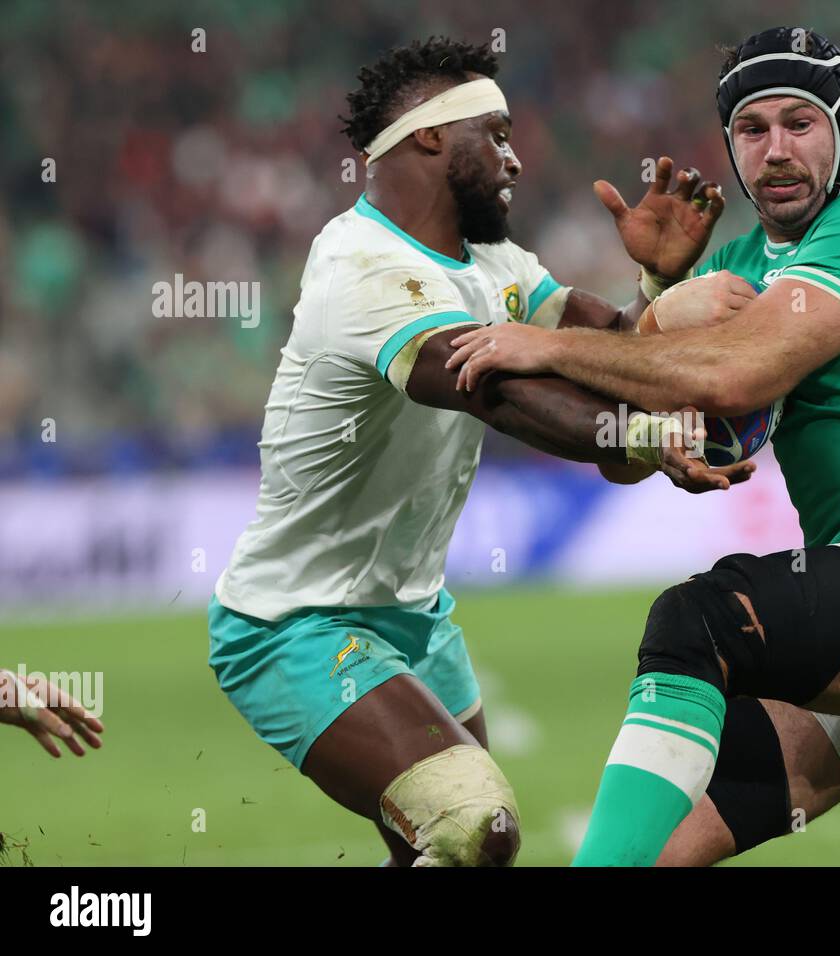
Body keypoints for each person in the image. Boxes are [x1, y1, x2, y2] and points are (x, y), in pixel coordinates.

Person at [447, 26, 840, 866]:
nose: (775, 150)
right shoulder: (734, 262)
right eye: (751, 128)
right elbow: (624, 459)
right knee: (660, 846)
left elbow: (736, 374)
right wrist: (658, 296)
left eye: (799, 123)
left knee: (700, 619)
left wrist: (545, 344)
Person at [208, 35, 748, 868]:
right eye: (494, 134)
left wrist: (655, 292)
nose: (515, 159)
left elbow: (607, 349)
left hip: (412, 614)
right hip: (294, 623)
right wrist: (643, 432)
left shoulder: (493, 262)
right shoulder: (360, 264)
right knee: (474, 829)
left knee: (443, 846)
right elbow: (489, 385)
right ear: (429, 137)